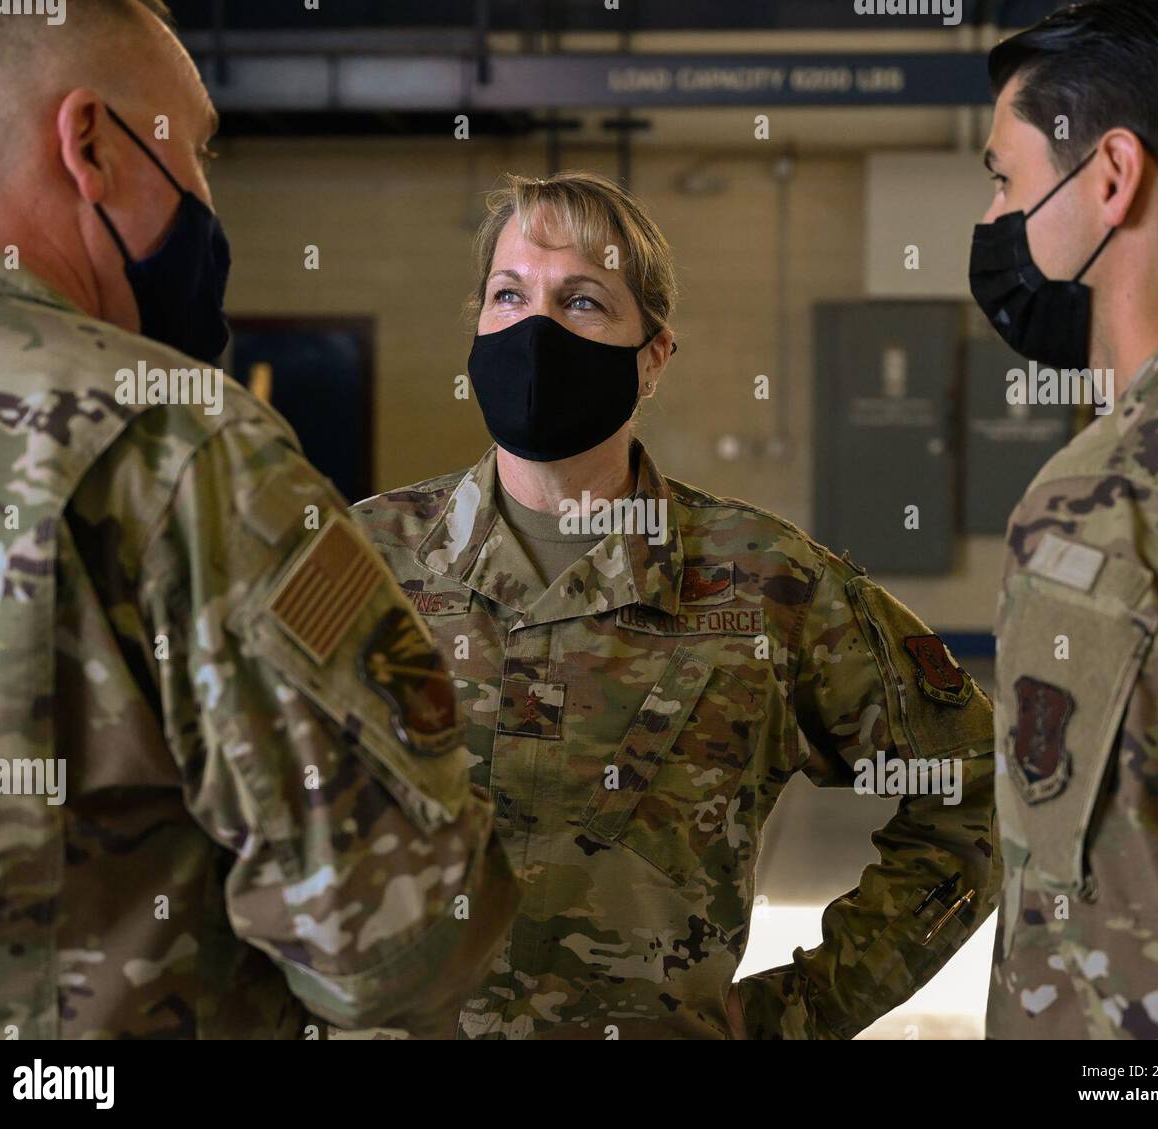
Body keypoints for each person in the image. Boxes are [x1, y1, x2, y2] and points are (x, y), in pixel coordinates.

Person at [0, 0, 517, 1040]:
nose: (207, 196)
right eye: (199, 150)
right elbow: (388, 941)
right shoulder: (175, 444)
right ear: (89, 143)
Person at [351, 170, 1001, 1039]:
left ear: (652, 357)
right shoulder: (363, 562)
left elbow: (972, 785)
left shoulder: (767, 583)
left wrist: (800, 1011)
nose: (535, 329)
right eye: (510, 295)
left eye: (582, 302)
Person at [972, 0, 1158, 1038]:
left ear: (1109, 177)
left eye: (1005, 178)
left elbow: (1149, 984)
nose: (998, 220)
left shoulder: (1118, 499)